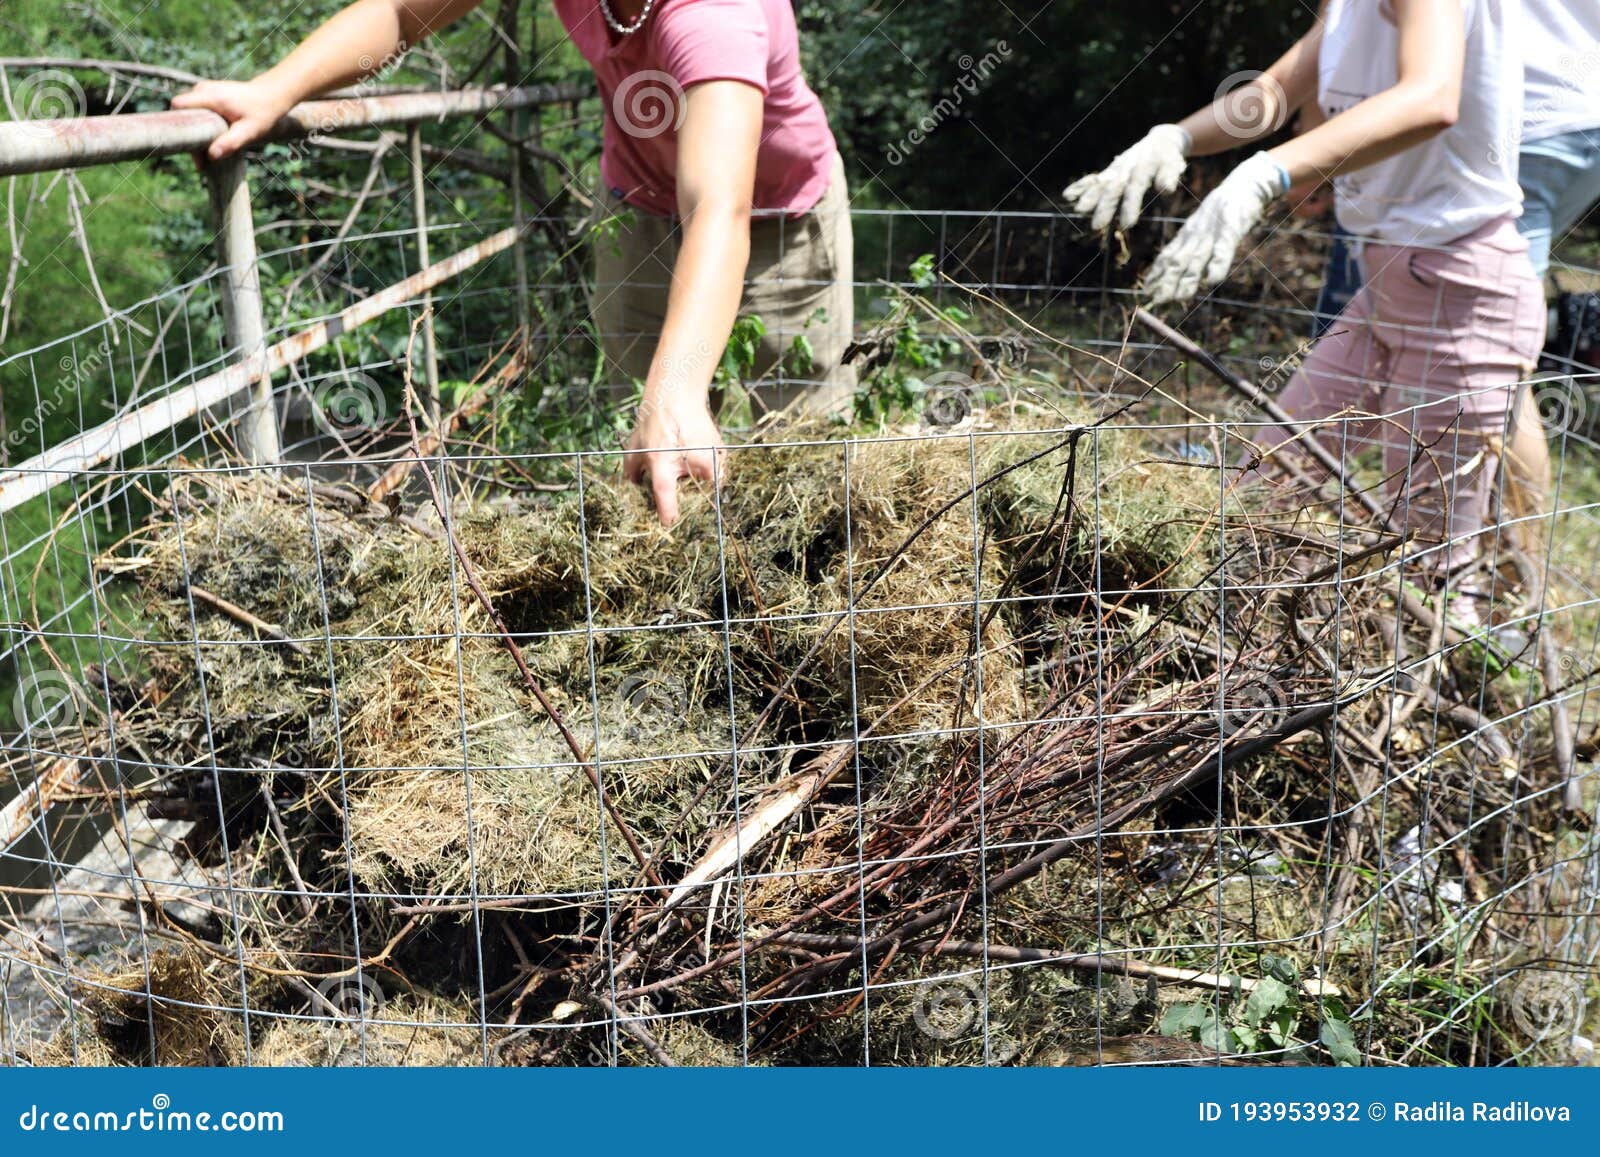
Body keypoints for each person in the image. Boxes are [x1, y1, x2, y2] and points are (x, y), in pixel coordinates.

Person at [173, 0, 854, 526]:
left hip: (774, 217)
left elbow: (718, 208)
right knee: (650, 449)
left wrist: (677, 383)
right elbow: (401, 13)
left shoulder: (714, 14)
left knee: (796, 454)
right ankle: (678, 637)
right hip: (641, 207)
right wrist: (276, 89)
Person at [1063, 0, 1546, 604]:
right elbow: (1274, 93)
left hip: (1461, 294)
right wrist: (1177, 138)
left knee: (1432, 565)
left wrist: (1267, 173)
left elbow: (1431, 98)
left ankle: (1461, 674)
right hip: (1386, 288)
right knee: (1269, 484)